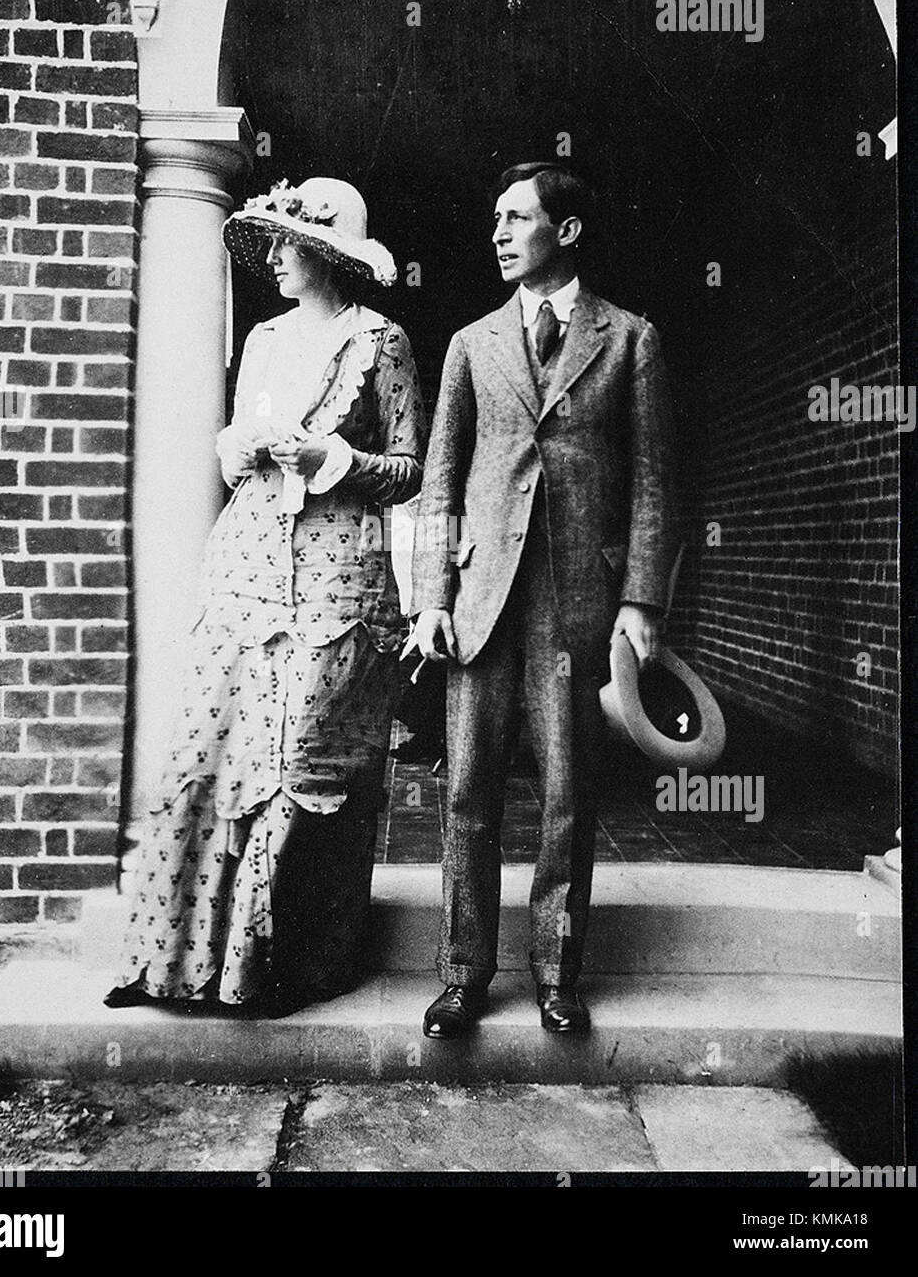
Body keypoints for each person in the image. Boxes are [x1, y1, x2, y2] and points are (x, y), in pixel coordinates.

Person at [106, 177, 425, 1018]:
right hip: (248, 559)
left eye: (287, 244)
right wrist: (244, 445)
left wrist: (334, 457)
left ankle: (277, 969)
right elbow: (235, 455)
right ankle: (170, 964)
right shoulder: (263, 338)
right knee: (210, 739)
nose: (275, 258)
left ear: (324, 254)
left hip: (336, 573)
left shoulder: (380, 342)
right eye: (274, 243)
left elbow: (410, 467)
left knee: (299, 757)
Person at [411, 161, 676, 1038]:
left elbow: (650, 481)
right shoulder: (470, 343)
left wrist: (639, 601)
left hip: (575, 604)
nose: (495, 232)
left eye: (515, 218)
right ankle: (462, 975)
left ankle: (558, 976)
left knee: (568, 792)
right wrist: (430, 596)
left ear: (564, 232)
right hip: (481, 598)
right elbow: (439, 482)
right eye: (493, 217)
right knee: (468, 792)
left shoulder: (628, 338)